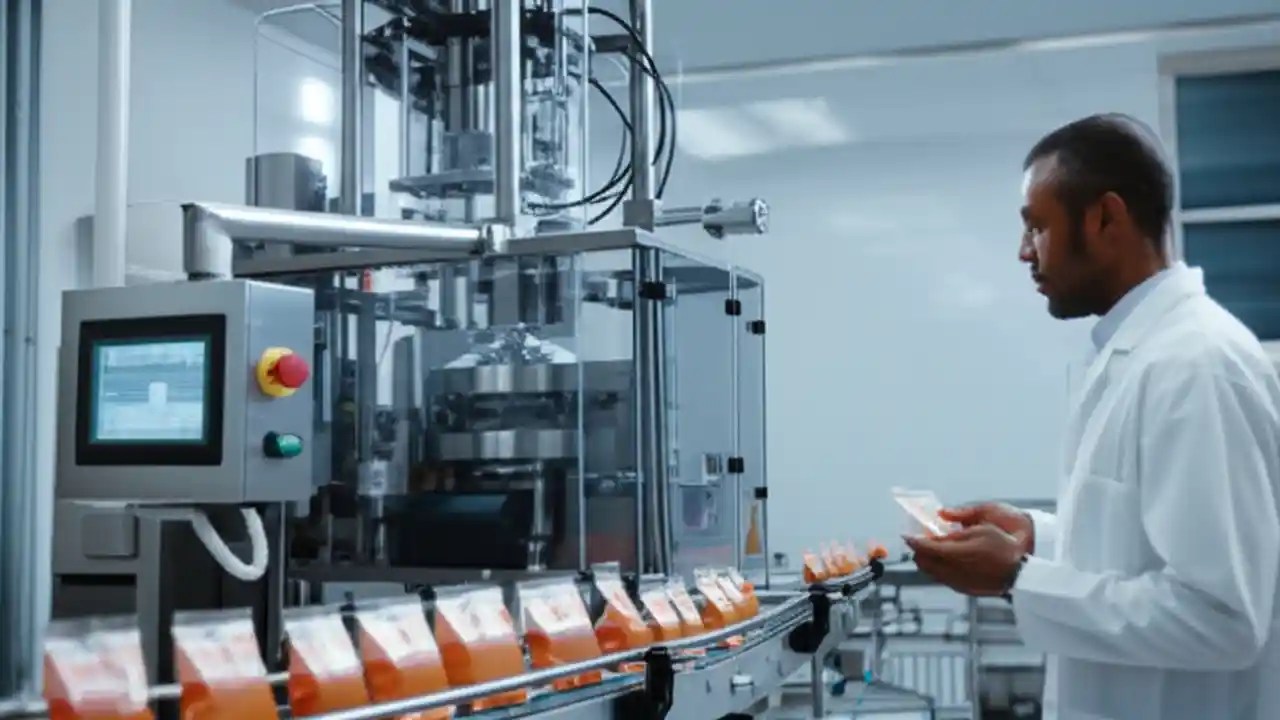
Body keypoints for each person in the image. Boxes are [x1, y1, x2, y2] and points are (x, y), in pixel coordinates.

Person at [905, 113, 1280, 719]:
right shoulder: (1134, 354)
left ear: (1105, 217)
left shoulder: (1196, 367)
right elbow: (1142, 549)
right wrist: (1037, 536)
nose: (1024, 252)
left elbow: (1224, 618)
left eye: (1037, 227)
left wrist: (1017, 578)